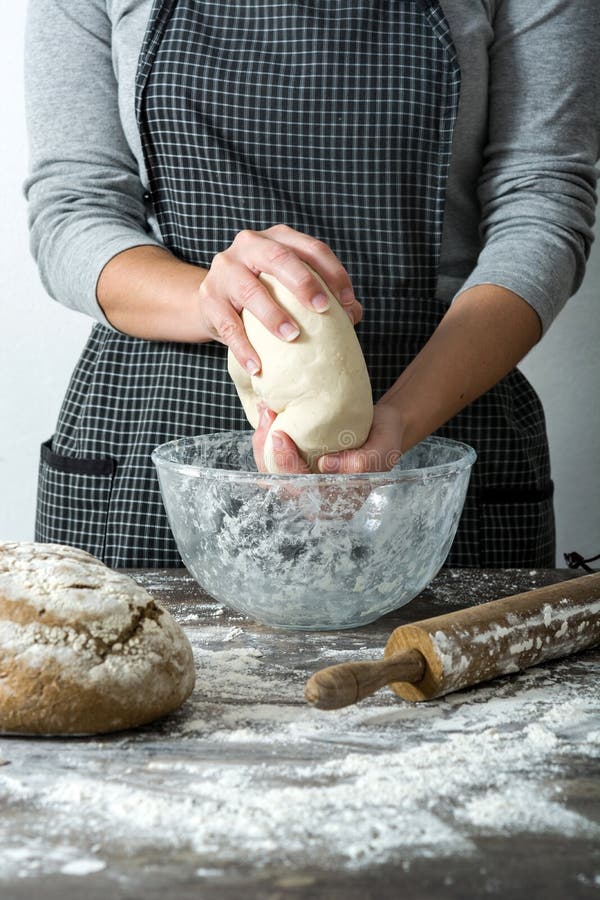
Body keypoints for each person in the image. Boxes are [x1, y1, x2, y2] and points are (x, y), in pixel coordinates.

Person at [24, 0, 599, 569]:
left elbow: (542, 203)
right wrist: (216, 302)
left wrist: (400, 421)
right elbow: (74, 208)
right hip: (157, 432)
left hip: (439, 416)